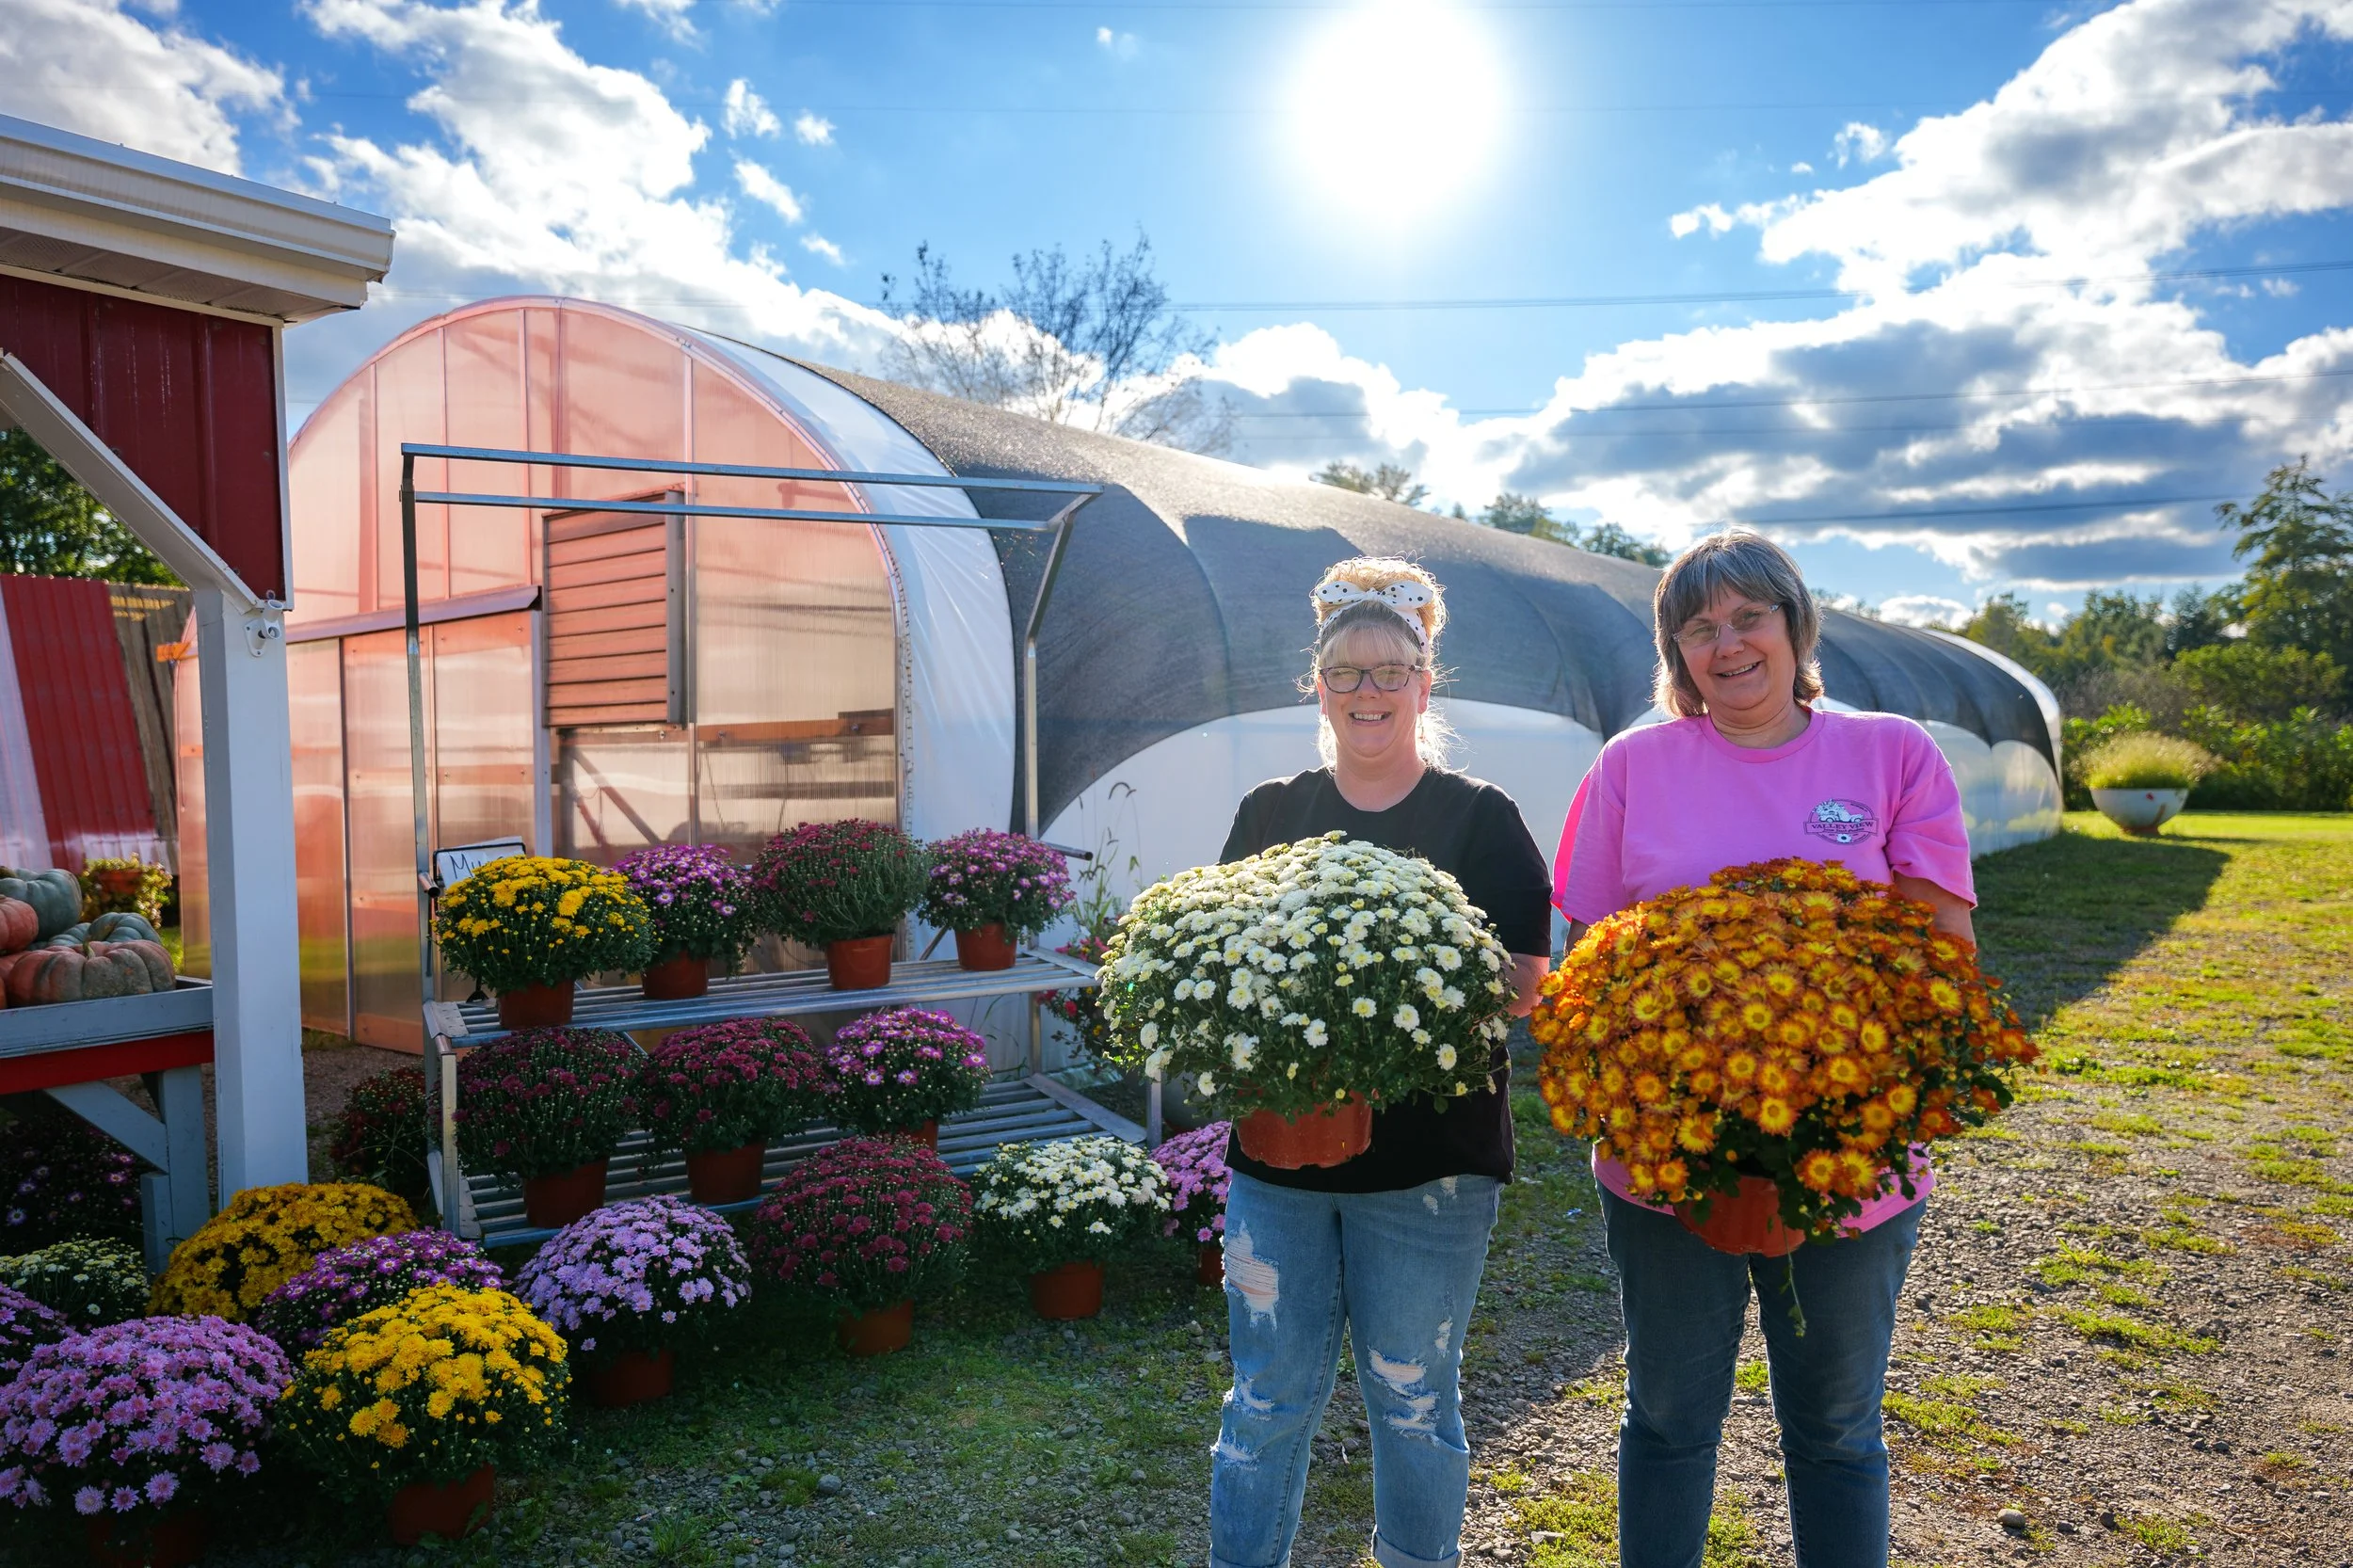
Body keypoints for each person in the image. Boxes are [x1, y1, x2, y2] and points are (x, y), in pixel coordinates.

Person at [1552, 529, 1977, 1568]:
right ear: (1676, 653)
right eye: (1699, 628)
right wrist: (1659, 1091)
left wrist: (1843, 1086)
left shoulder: (1890, 752)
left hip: (1849, 1155)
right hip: (1665, 1161)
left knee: (1835, 1430)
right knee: (1667, 1417)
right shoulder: (1631, 765)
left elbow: (1943, 950)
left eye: (1749, 617)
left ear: (1796, 626)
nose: (1728, 644)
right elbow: (1589, 960)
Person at [1209, 556, 1555, 1568]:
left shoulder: (1479, 816)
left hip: (1428, 1169)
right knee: (1265, 1396)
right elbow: (1219, 957)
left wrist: (1410, 983)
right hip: (1276, 1162)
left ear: (1424, 685)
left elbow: (1525, 981)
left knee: (1412, 1399)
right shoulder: (1271, 811)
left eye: (1390, 671)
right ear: (1317, 688)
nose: (1369, 691)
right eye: (1346, 673)